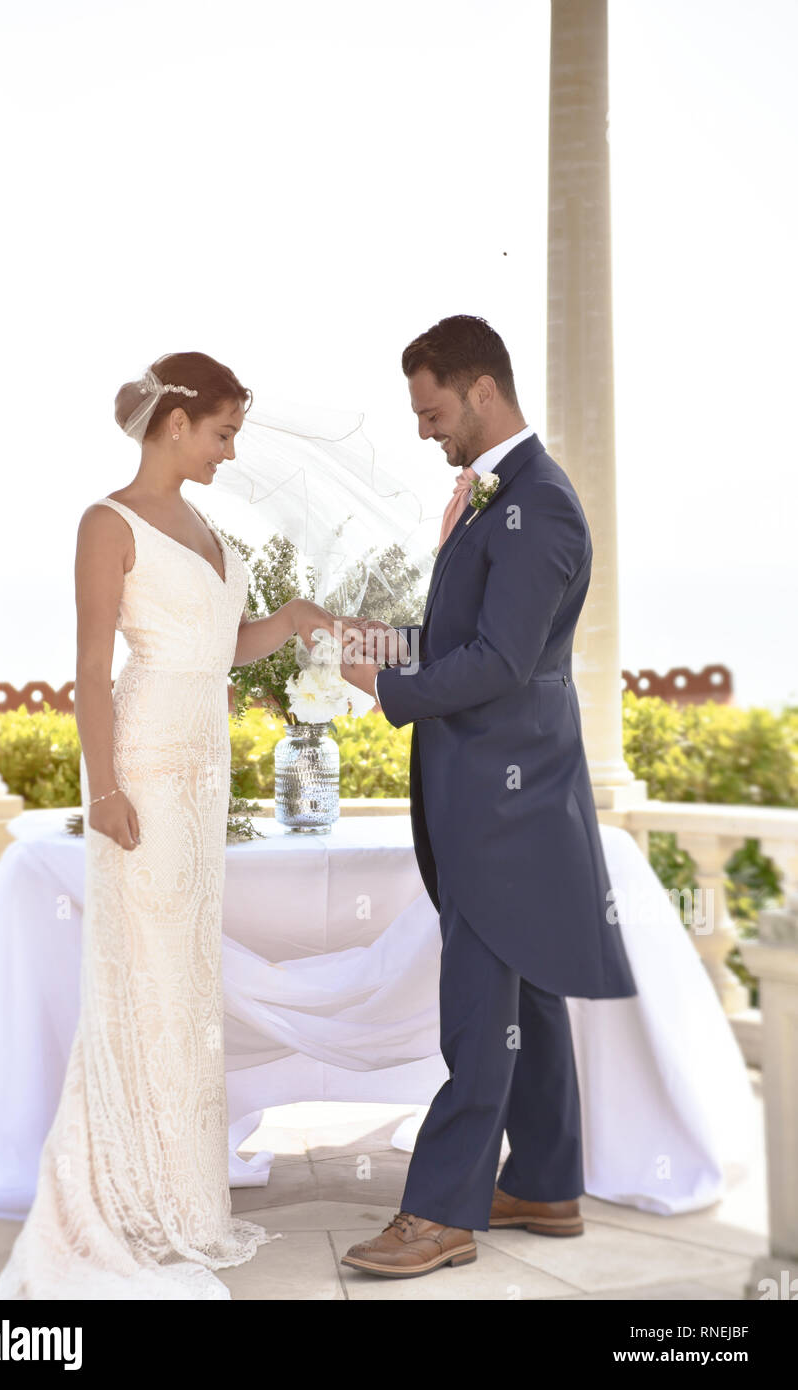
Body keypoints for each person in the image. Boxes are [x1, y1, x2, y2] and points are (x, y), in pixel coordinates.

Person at [0, 351, 341, 1300]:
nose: (231, 453)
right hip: (145, 761)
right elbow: (88, 668)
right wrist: (103, 790)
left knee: (186, 982)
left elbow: (221, 647)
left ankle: (186, 1203)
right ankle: (127, 1200)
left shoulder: (202, 522)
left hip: (205, 766)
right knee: (143, 979)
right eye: (223, 433)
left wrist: (295, 618)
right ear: (176, 421)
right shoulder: (106, 522)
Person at [340, 314, 638, 1278]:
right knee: (528, 993)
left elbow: (503, 662)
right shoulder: (497, 499)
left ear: (479, 389)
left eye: (431, 413)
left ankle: (439, 1213)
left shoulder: (536, 503)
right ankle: (545, 1182)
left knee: (479, 1008)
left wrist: (386, 689)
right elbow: (468, 638)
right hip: (507, 798)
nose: (426, 432)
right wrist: (381, 645)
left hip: (506, 809)